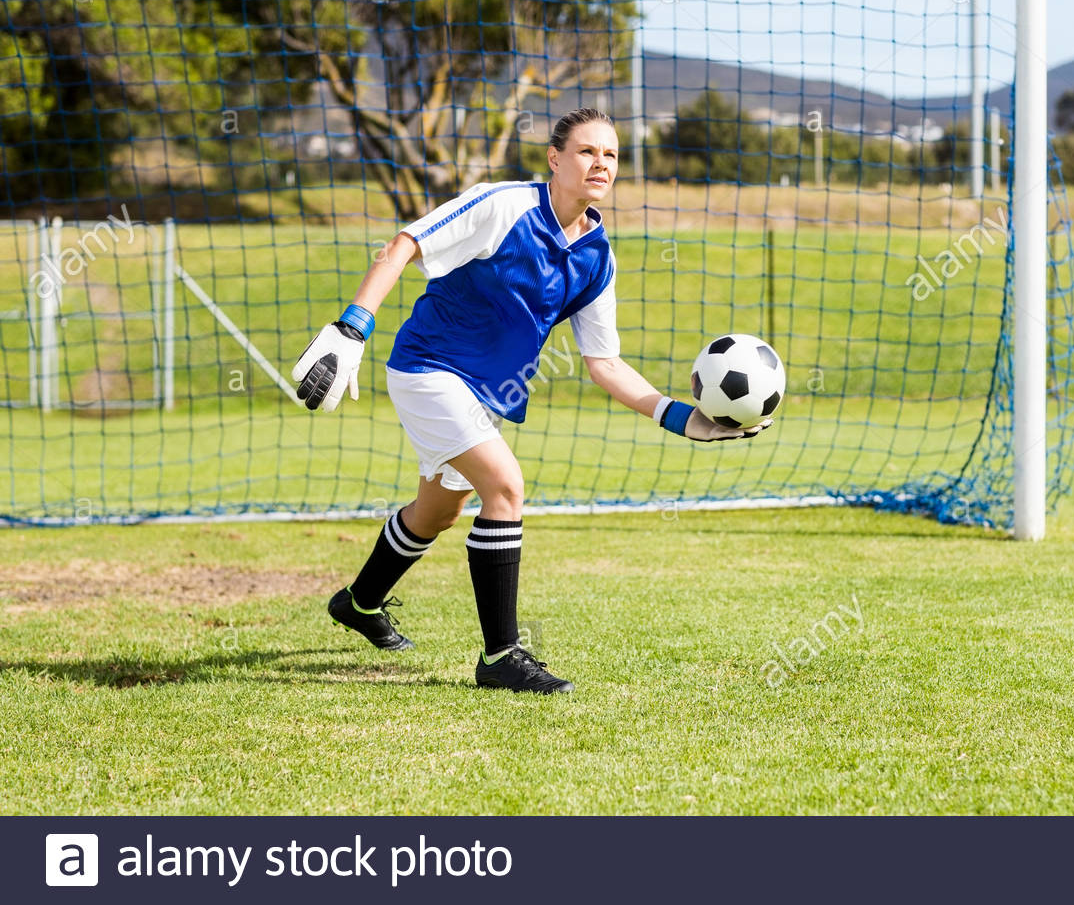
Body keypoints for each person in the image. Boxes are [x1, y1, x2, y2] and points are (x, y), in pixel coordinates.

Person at [292, 108, 769, 694]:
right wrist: (351, 329)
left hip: (485, 396)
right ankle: (501, 658)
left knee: (436, 513)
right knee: (505, 487)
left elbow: (605, 364)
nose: (601, 163)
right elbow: (403, 244)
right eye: (587, 151)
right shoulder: (503, 204)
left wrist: (681, 418)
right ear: (555, 158)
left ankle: (359, 603)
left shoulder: (598, 256)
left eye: (612, 155)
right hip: (427, 369)